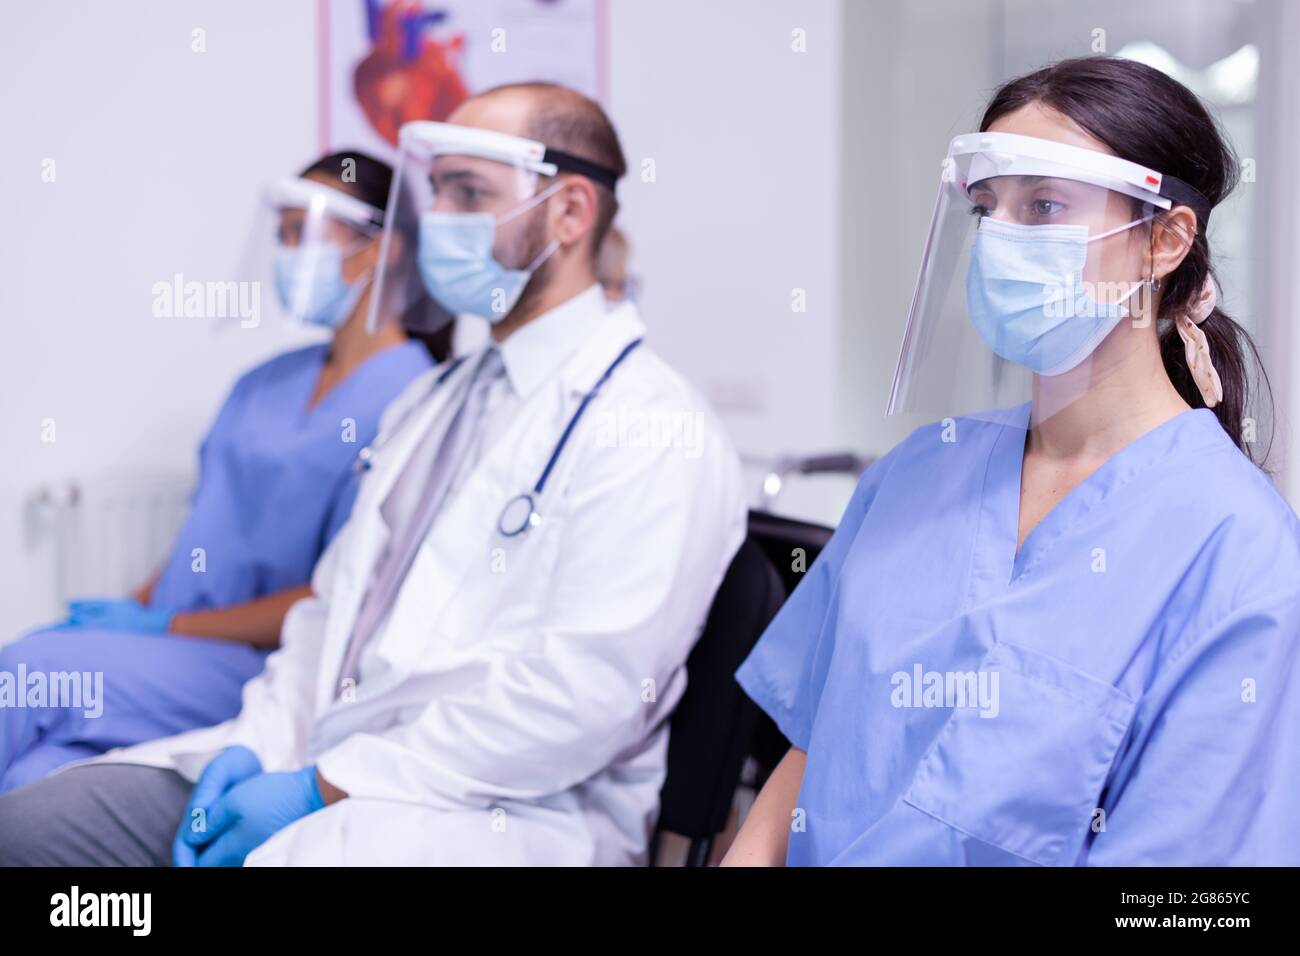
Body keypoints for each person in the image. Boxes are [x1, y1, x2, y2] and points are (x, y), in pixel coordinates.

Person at [0, 82, 746, 866]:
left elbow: (581, 702)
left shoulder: (654, 430)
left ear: (569, 212)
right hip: (320, 760)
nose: (439, 221)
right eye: (438, 189)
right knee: (34, 829)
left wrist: (321, 788)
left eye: (470, 192)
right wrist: (260, 749)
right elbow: (329, 617)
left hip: (498, 812)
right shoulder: (433, 401)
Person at [724, 56, 1300, 867]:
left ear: (1164, 241)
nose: (999, 242)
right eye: (988, 209)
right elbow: (809, 755)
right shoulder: (916, 475)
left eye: (1045, 208)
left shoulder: (1240, 553)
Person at [0, 151, 434, 794]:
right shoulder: (263, 384)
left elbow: (342, 594)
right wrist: (138, 609)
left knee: (28, 676)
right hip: (175, 648)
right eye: (281, 235)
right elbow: (209, 530)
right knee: (39, 776)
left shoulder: (417, 399)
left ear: (378, 250)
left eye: (302, 234)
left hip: (266, 667)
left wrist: (168, 629)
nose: (289, 253)